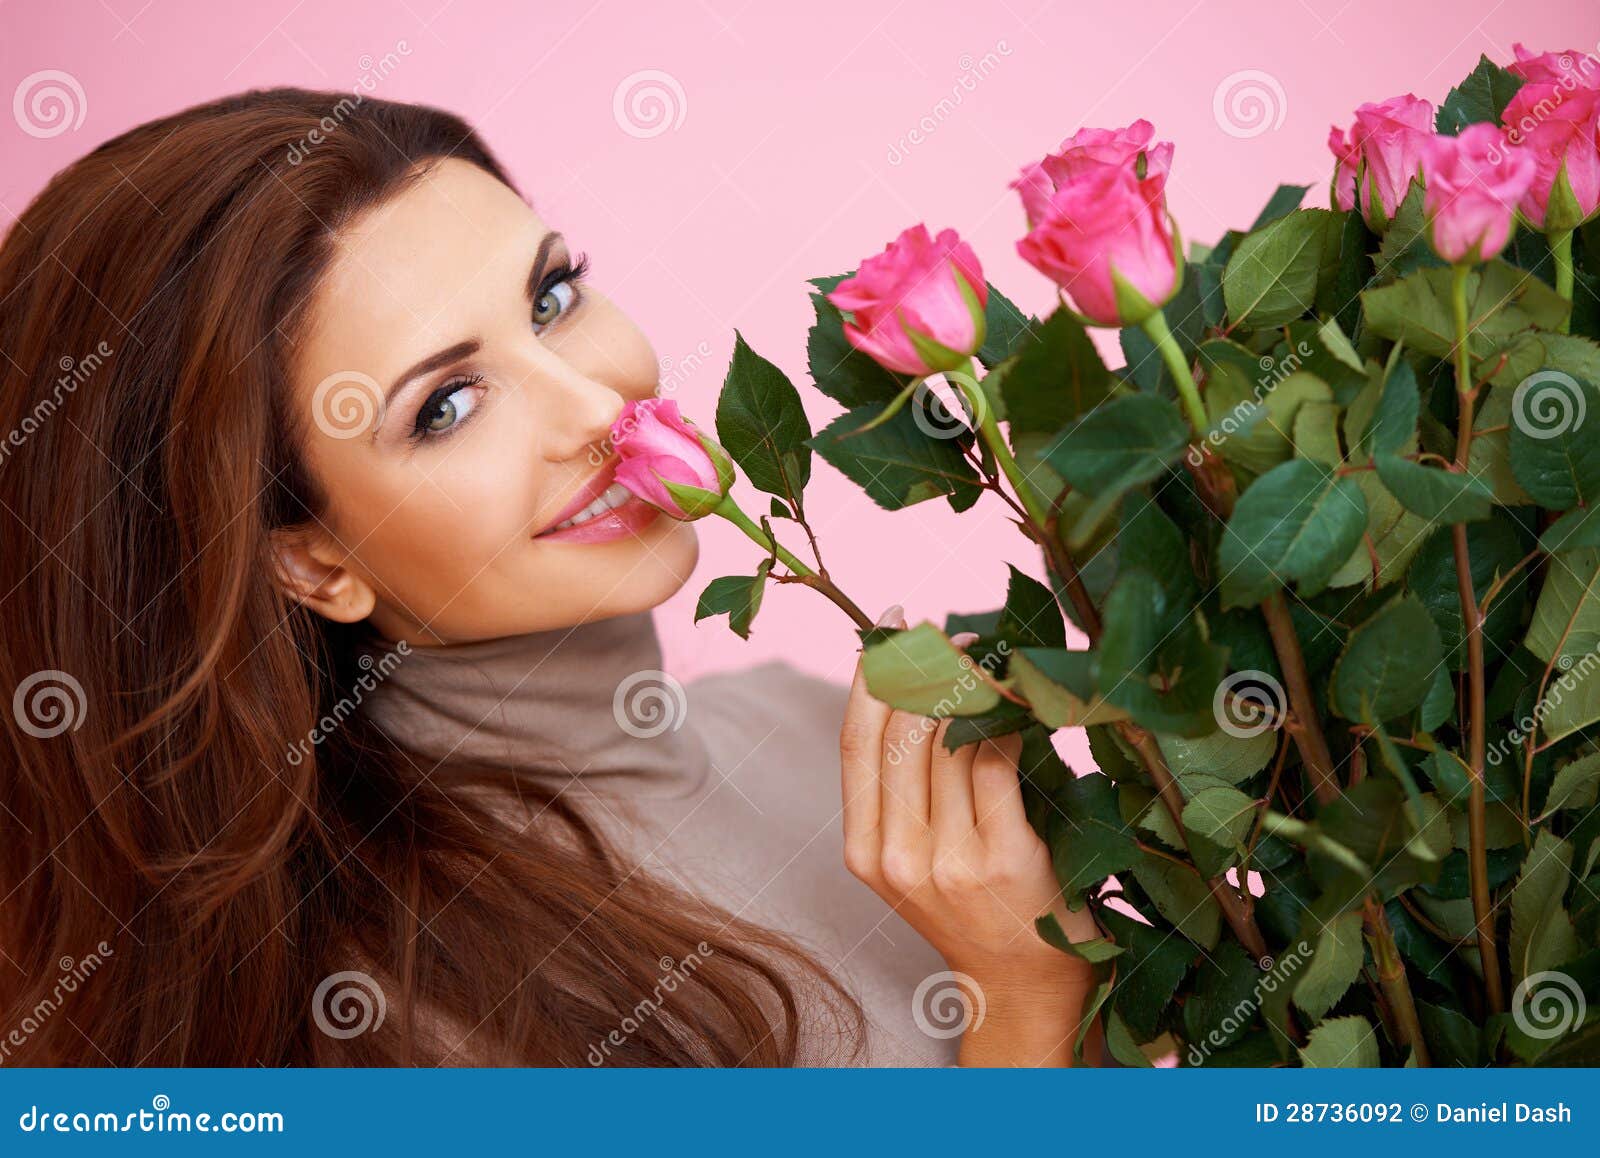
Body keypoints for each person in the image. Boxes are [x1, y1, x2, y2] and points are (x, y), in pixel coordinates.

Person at [0, 88, 1097, 1066]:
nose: (597, 408)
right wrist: (1019, 1004)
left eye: (552, 300)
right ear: (311, 562)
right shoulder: (390, 1020)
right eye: (446, 406)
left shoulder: (812, 724)